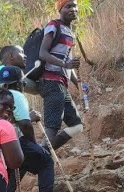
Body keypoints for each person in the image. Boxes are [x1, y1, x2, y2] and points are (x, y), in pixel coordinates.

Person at [0, 64, 66, 192]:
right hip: (10, 139)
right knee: (45, 161)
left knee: (21, 161)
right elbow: (25, 124)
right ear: (18, 84)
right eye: (22, 83)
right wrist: (34, 145)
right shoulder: (16, 95)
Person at [38, 0, 95, 150]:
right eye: (68, 6)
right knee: (52, 127)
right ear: (60, 10)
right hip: (51, 82)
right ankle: (42, 157)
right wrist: (65, 64)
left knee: (77, 126)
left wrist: (78, 84)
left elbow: (68, 63)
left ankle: (44, 153)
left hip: (61, 85)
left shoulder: (70, 32)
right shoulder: (53, 25)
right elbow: (43, 53)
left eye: (75, 6)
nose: (73, 9)